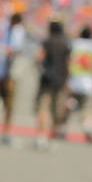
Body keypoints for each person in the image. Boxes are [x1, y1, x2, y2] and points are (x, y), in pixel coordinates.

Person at [34, 19, 71, 150]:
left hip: (47, 79)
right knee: (57, 109)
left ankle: (41, 136)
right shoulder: (65, 43)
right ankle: (52, 135)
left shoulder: (47, 42)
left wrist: (40, 68)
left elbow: (39, 58)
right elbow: (68, 64)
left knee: (44, 107)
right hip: (60, 80)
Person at [66, 25, 92, 142]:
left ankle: (63, 128)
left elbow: (68, 61)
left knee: (69, 105)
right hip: (89, 82)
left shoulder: (74, 44)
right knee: (88, 109)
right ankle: (88, 128)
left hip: (74, 80)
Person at [0, 13, 26, 145]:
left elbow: (15, 50)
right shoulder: (4, 28)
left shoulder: (18, 32)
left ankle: (6, 131)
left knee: (9, 103)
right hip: (0, 71)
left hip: (10, 73)